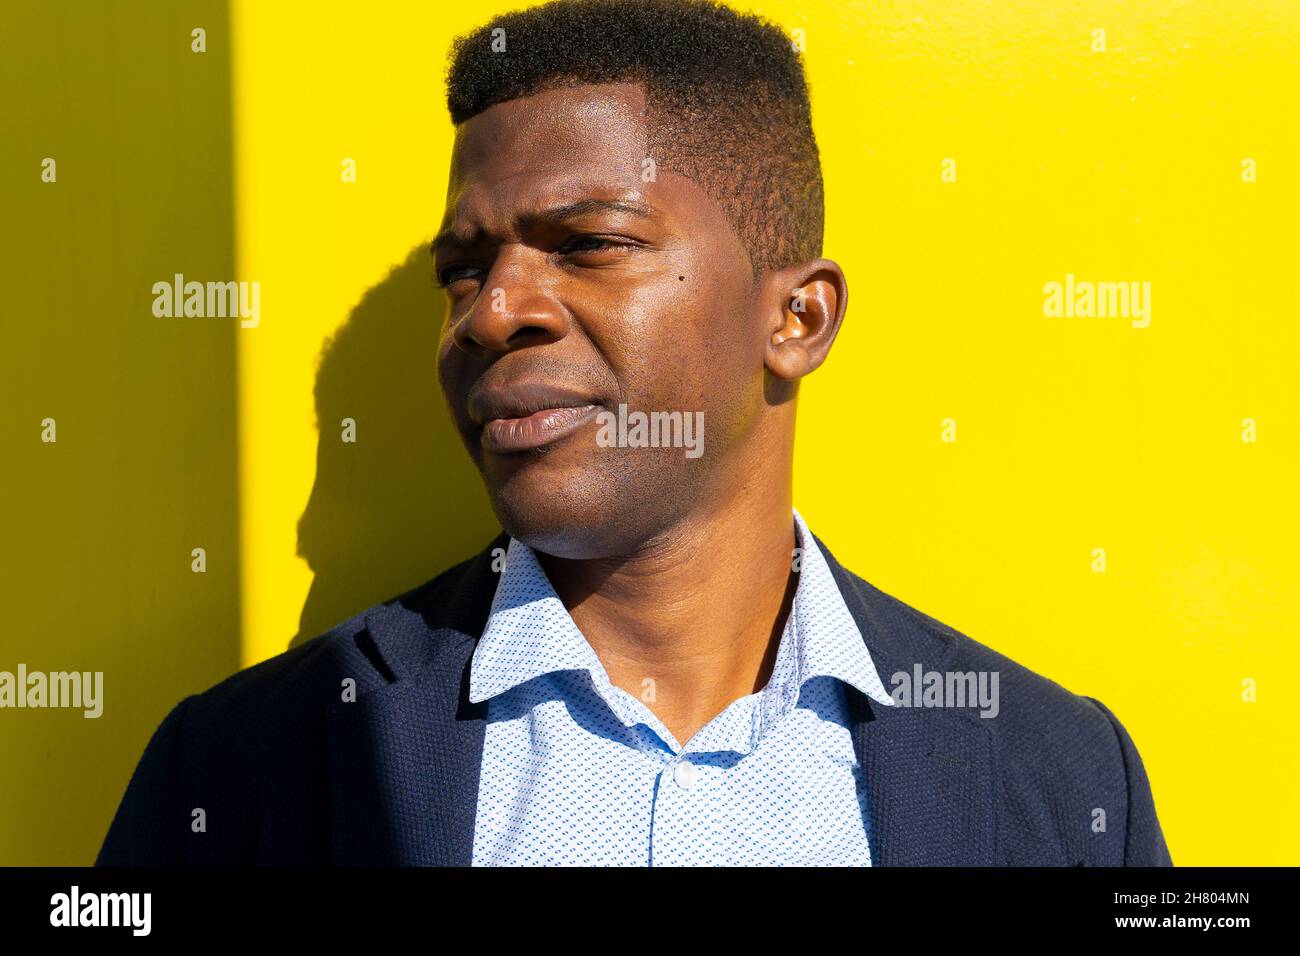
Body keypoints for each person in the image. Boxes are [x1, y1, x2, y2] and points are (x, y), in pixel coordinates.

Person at [98, 0, 1172, 866]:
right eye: (463, 268)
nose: (492, 308)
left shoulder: (1058, 779)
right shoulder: (244, 770)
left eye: (590, 242)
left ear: (795, 319)